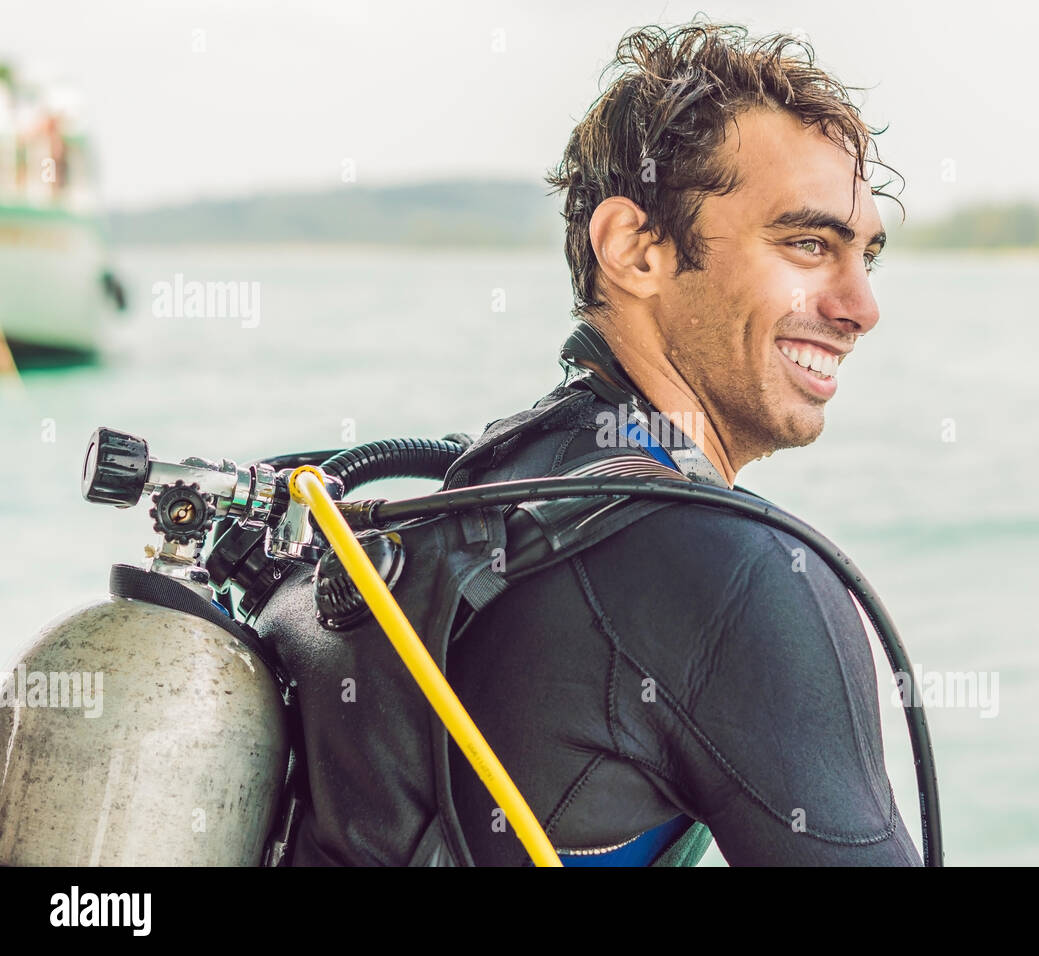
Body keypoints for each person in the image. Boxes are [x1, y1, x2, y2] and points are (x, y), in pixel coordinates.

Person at [265, 19, 920, 868]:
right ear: (635, 250)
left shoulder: (499, 493)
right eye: (807, 243)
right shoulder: (736, 572)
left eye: (866, 255)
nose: (861, 306)